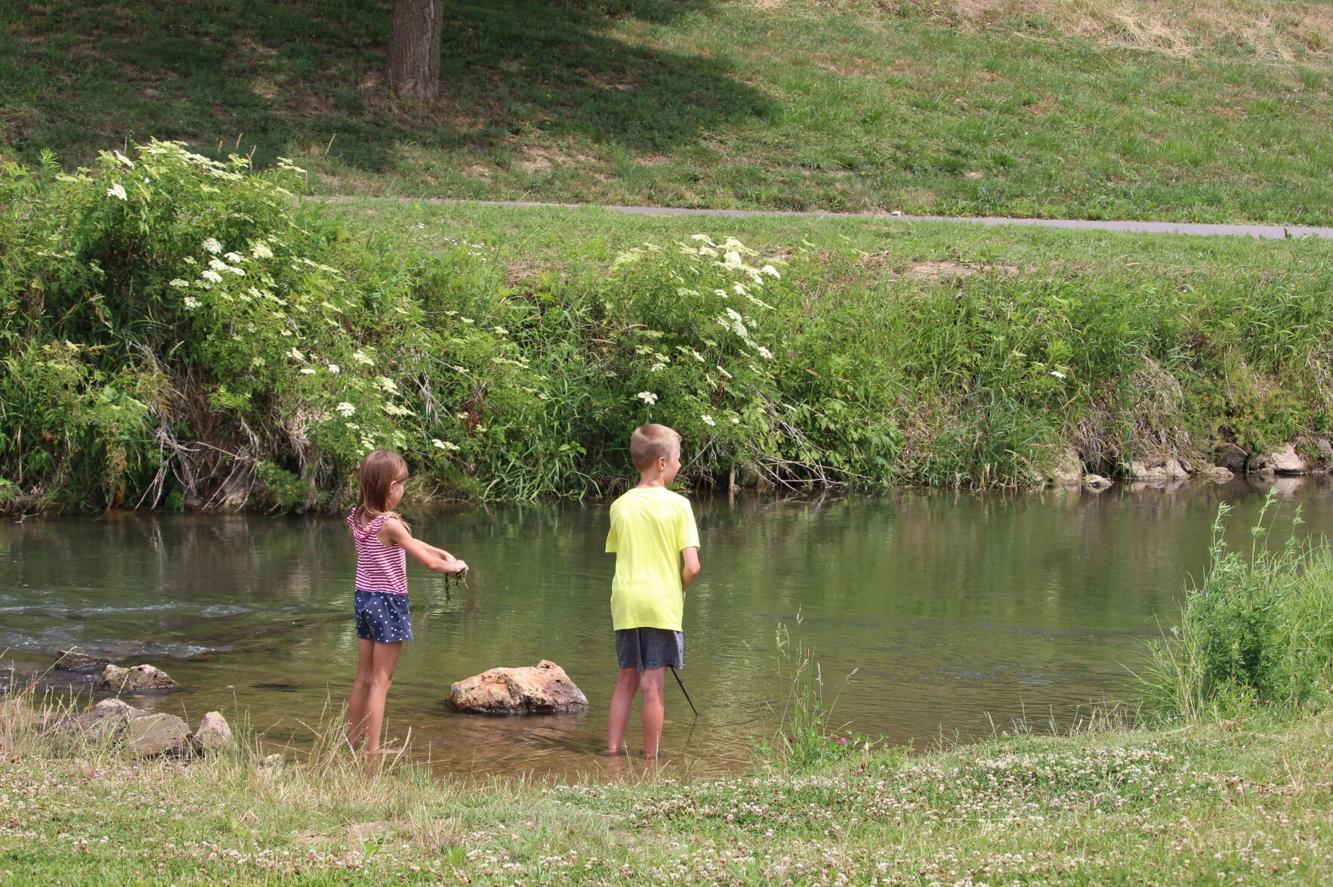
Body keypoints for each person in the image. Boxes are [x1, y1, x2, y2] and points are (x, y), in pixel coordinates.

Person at [345, 449, 468, 754]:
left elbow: (409, 543)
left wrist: (441, 550)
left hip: (364, 600)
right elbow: (429, 564)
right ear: (391, 487)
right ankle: (372, 750)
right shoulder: (390, 524)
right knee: (381, 682)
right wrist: (455, 565)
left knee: (363, 677)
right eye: (402, 485)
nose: (404, 490)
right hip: (388, 604)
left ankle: (352, 742)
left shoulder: (358, 517)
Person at [604, 424, 701, 759]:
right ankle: (650, 760)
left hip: (627, 602)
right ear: (662, 463)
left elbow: (625, 552)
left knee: (626, 680)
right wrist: (682, 589)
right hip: (661, 604)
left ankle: (613, 752)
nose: (679, 466)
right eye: (677, 460)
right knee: (653, 685)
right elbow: (692, 566)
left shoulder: (619, 506)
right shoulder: (679, 506)